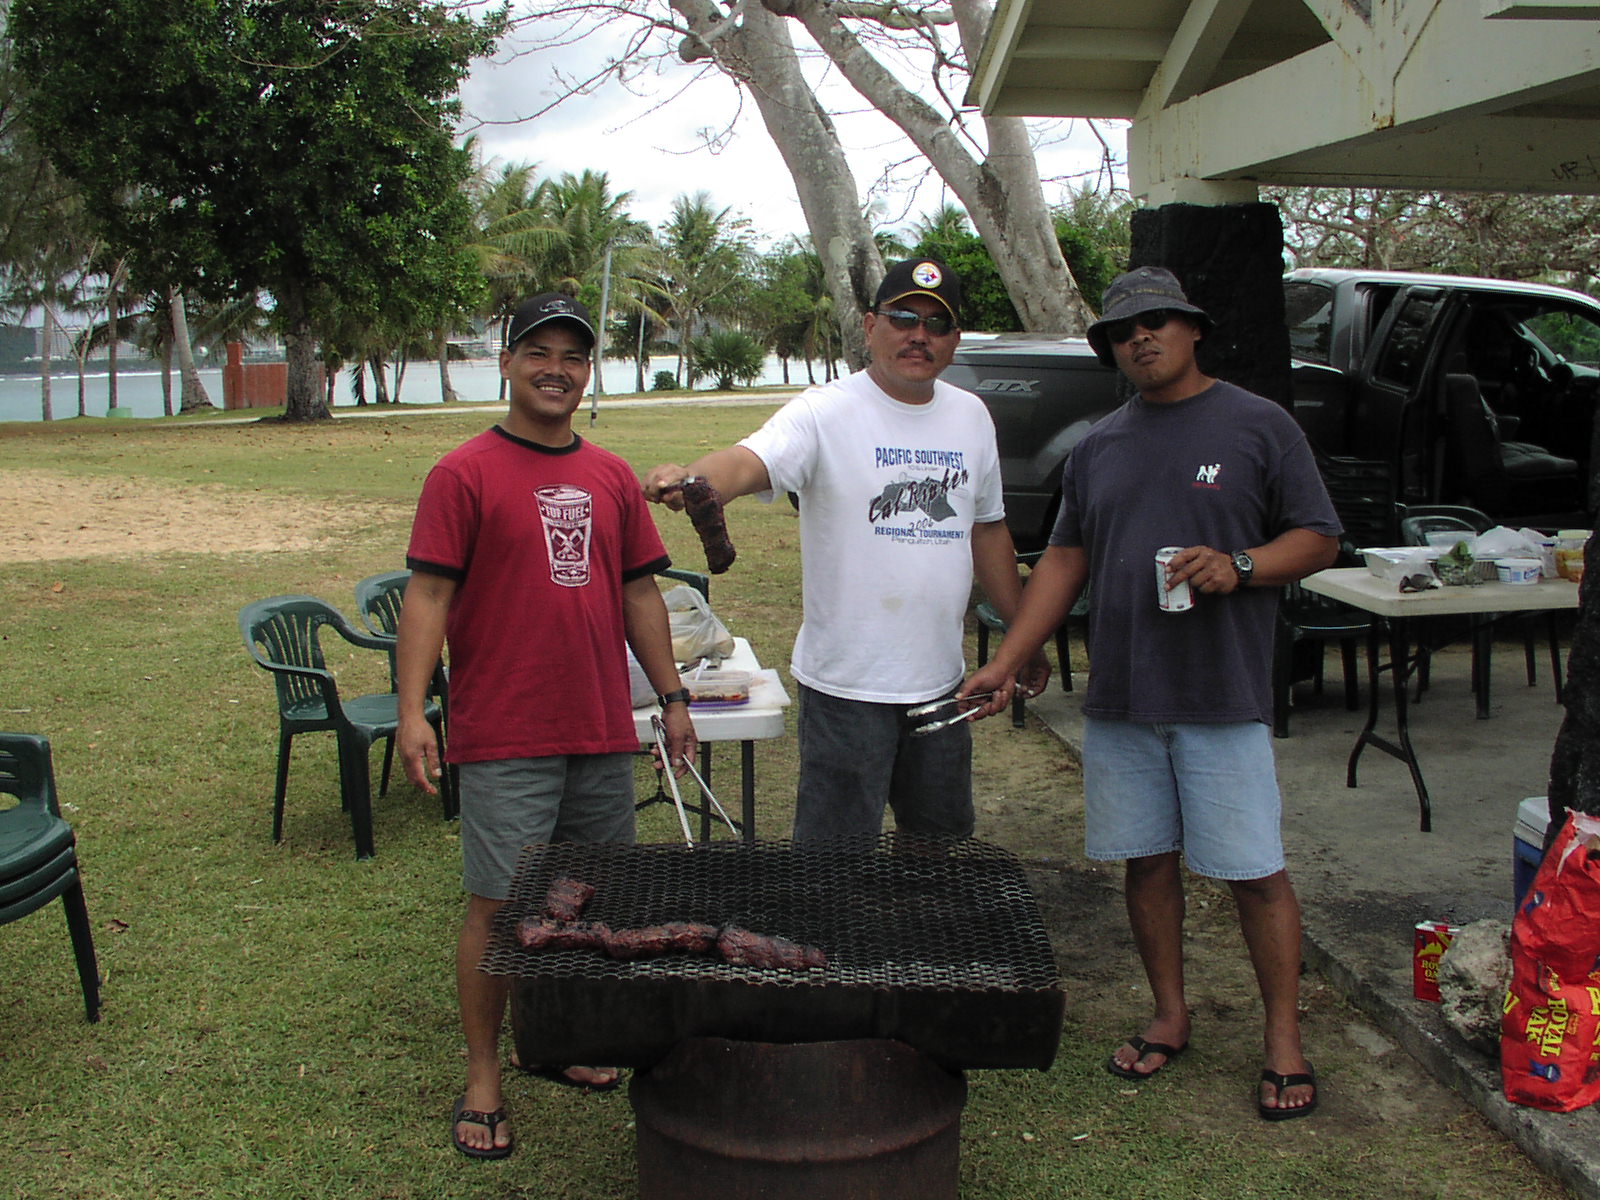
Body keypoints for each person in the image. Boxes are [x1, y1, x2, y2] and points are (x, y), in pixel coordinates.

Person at [960, 266, 1340, 1121]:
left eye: (1158, 322)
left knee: (1254, 872)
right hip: (1125, 693)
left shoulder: (1258, 425)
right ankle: (1171, 1014)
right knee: (1146, 863)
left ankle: (1284, 1038)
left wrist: (1240, 566)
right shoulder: (1100, 446)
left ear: (1192, 329)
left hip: (1222, 692)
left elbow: (1318, 537)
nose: (1141, 338)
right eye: (1123, 331)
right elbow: (1065, 560)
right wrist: (1011, 655)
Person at [393, 292, 696, 1160]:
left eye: (573, 354)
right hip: (504, 728)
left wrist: (672, 697)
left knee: (588, 899)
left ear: (587, 371)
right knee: (497, 905)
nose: (555, 368)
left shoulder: (608, 473)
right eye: (538, 352)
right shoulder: (463, 473)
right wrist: (415, 710)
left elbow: (640, 592)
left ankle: (555, 1041)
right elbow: (429, 595)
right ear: (506, 362)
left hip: (599, 724)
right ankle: (485, 1072)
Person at [644, 258, 1048, 842]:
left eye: (938, 324)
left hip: (942, 685)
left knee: (938, 851)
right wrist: (695, 479)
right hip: (846, 690)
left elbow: (987, 531)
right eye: (904, 317)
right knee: (833, 867)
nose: (919, 334)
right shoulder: (825, 410)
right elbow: (748, 461)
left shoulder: (971, 417)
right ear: (869, 326)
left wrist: (1020, 637)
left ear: (956, 340)